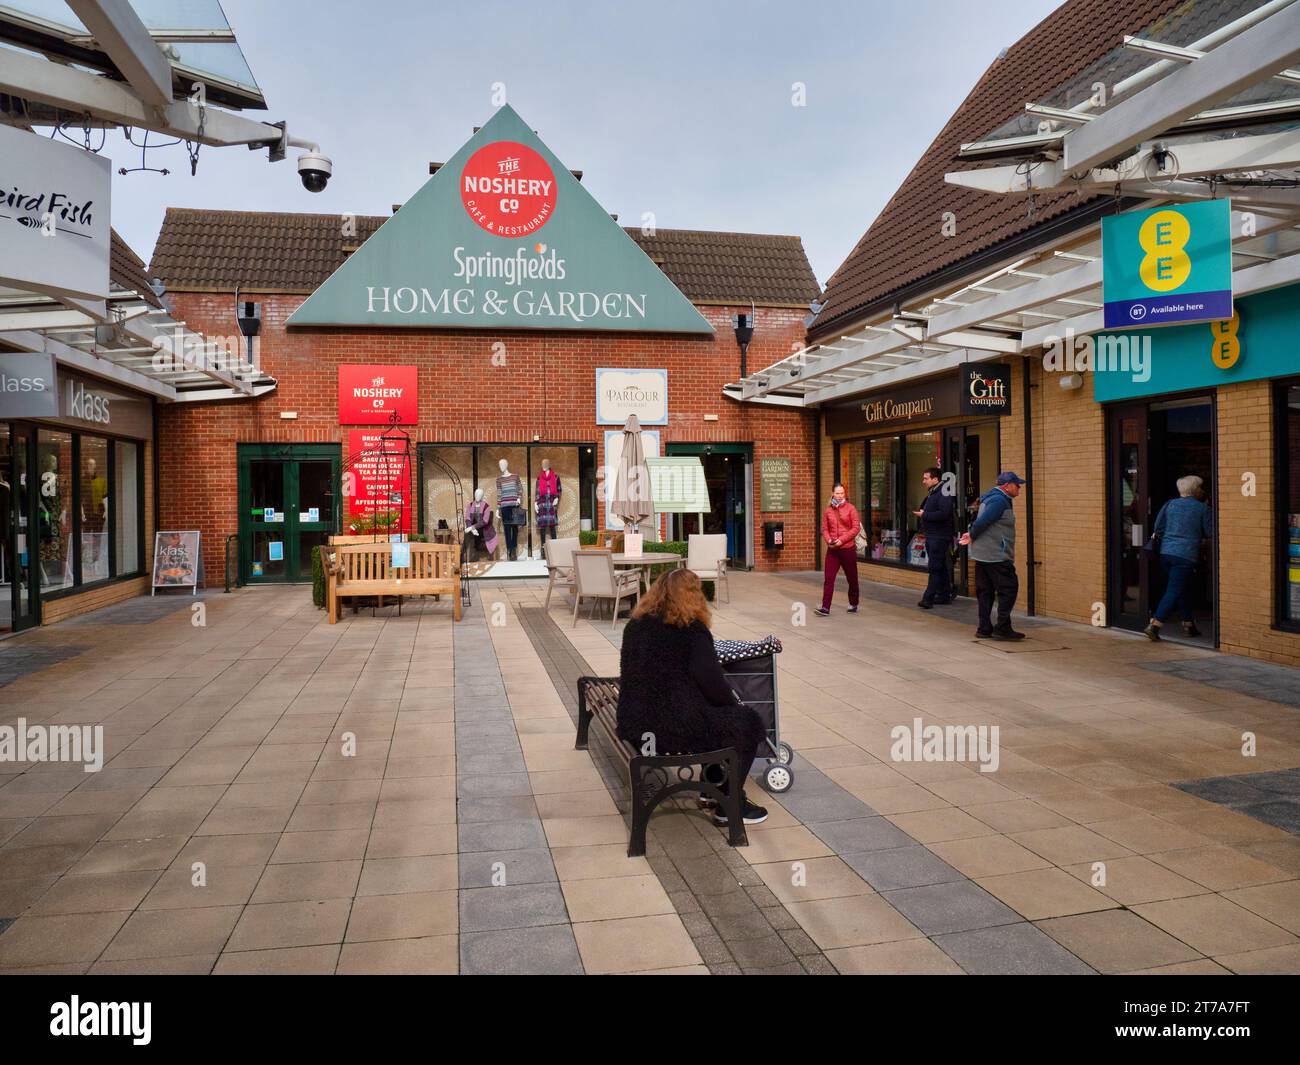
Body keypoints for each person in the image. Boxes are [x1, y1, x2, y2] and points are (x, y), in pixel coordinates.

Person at [617, 569, 769, 825]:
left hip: (635, 724)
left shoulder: (635, 626)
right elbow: (712, 684)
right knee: (747, 723)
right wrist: (735, 706)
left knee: (714, 719)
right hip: (669, 728)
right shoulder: (692, 631)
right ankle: (730, 805)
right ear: (693, 596)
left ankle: (712, 786)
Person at [1144, 475, 1213, 641]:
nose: (1202, 490)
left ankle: (1189, 624)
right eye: (1200, 487)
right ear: (1195, 490)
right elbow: (1210, 531)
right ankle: (1155, 624)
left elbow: (1158, 527)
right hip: (1186, 555)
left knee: (1183, 587)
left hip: (1166, 553)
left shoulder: (1169, 504)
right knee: (1174, 590)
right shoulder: (1202, 508)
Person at [959, 471, 1026, 640]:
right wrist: (972, 534)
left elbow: (981, 521)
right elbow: (984, 521)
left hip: (983, 554)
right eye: (1017, 485)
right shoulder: (999, 500)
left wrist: (971, 534)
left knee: (985, 592)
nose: (1019, 488)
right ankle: (1002, 627)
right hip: (996, 555)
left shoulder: (991, 498)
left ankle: (984, 628)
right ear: (1007, 486)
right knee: (1009, 588)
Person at [913, 466, 956, 609]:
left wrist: (924, 515)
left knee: (934, 567)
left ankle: (928, 598)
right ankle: (944, 595)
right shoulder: (934, 492)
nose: (923, 481)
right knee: (940, 566)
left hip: (939, 536)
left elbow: (944, 513)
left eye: (926, 478)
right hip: (932, 535)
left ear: (935, 479)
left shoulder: (943, 493)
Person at [816, 483, 861, 616]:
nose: (840, 496)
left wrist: (842, 540)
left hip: (847, 549)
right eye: (837, 493)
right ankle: (825, 607)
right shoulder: (828, 510)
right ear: (833, 494)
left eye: (842, 493)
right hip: (833, 550)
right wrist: (829, 540)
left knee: (852, 578)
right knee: (828, 579)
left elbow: (856, 528)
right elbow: (824, 529)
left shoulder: (851, 508)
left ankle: (853, 603)